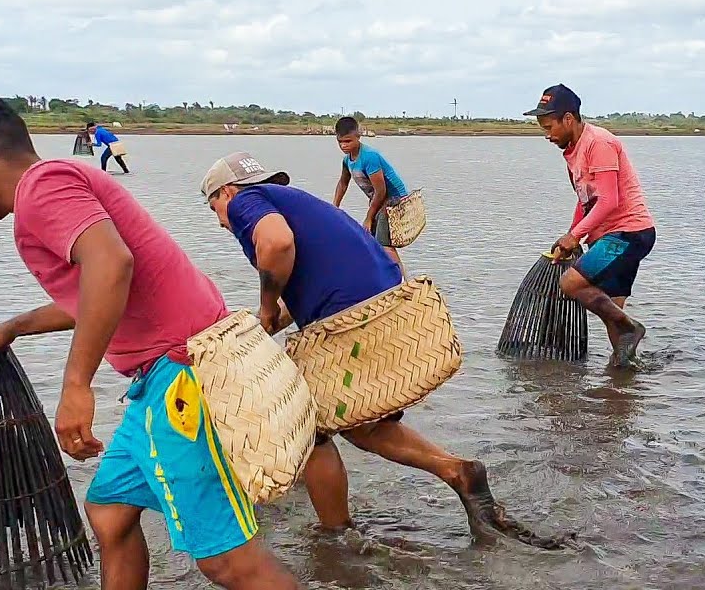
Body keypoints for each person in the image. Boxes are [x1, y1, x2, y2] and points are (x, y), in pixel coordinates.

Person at [0, 100, 300, 590]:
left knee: (226, 560)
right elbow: (98, 293)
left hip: (179, 378)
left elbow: (111, 265)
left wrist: (75, 385)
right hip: (156, 383)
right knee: (109, 511)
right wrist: (14, 327)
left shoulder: (42, 188)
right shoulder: (57, 181)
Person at [200, 151, 567, 550]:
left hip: (354, 314)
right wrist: (265, 321)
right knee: (364, 426)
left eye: (214, 206)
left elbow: (276, 243)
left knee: (310, 428)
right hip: (381, 298)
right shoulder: (293, 203)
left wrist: (267, 305)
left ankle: (336, 537)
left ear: (227, 191)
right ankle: (459, 473)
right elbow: (313, 279)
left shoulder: (244, 202)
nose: (221, 220)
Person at [524, 84, 657, 369]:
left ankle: (632, 329)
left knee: (570, 283)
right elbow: (584, 201)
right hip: (609, 236)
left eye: (550, 127)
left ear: (568, 119)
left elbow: (609, 201)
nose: (547, 135)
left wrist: (575, 235)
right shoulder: (572, 152)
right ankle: (622, 380)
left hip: (628, 233)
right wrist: (569, 237)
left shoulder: (599, 143)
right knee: (612, 311)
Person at [331, 116, 407, 272]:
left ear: (358, 137)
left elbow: (381, 190)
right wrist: (334, 207)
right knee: (369, 241)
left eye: (348, 141)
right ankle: (380, 279)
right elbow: (343, 183)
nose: (344, 146)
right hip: (379, 200)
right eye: (340, 142)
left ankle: (402, 283)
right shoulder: (347, 161)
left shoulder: (369, 157)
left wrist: (368, 217)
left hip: (393, 198)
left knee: (384, 243)